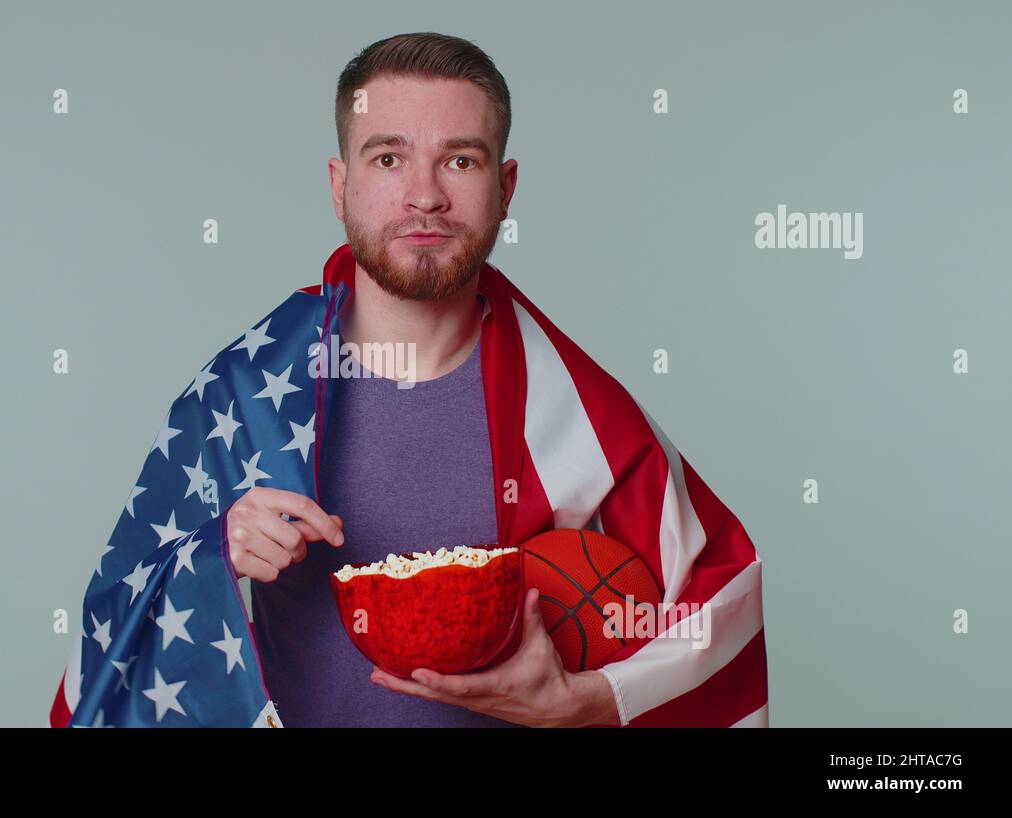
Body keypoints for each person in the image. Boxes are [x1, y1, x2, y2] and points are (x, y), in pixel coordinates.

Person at [50, 32, 768, 729]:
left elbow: (721, 594)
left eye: (460, 161)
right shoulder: (241, 396)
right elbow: (111, 623)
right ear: (340, 186)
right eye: (389, 157)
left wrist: (593, 701)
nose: (424, 196)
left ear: (505, 187)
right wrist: (215, 550)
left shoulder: (579, 411)